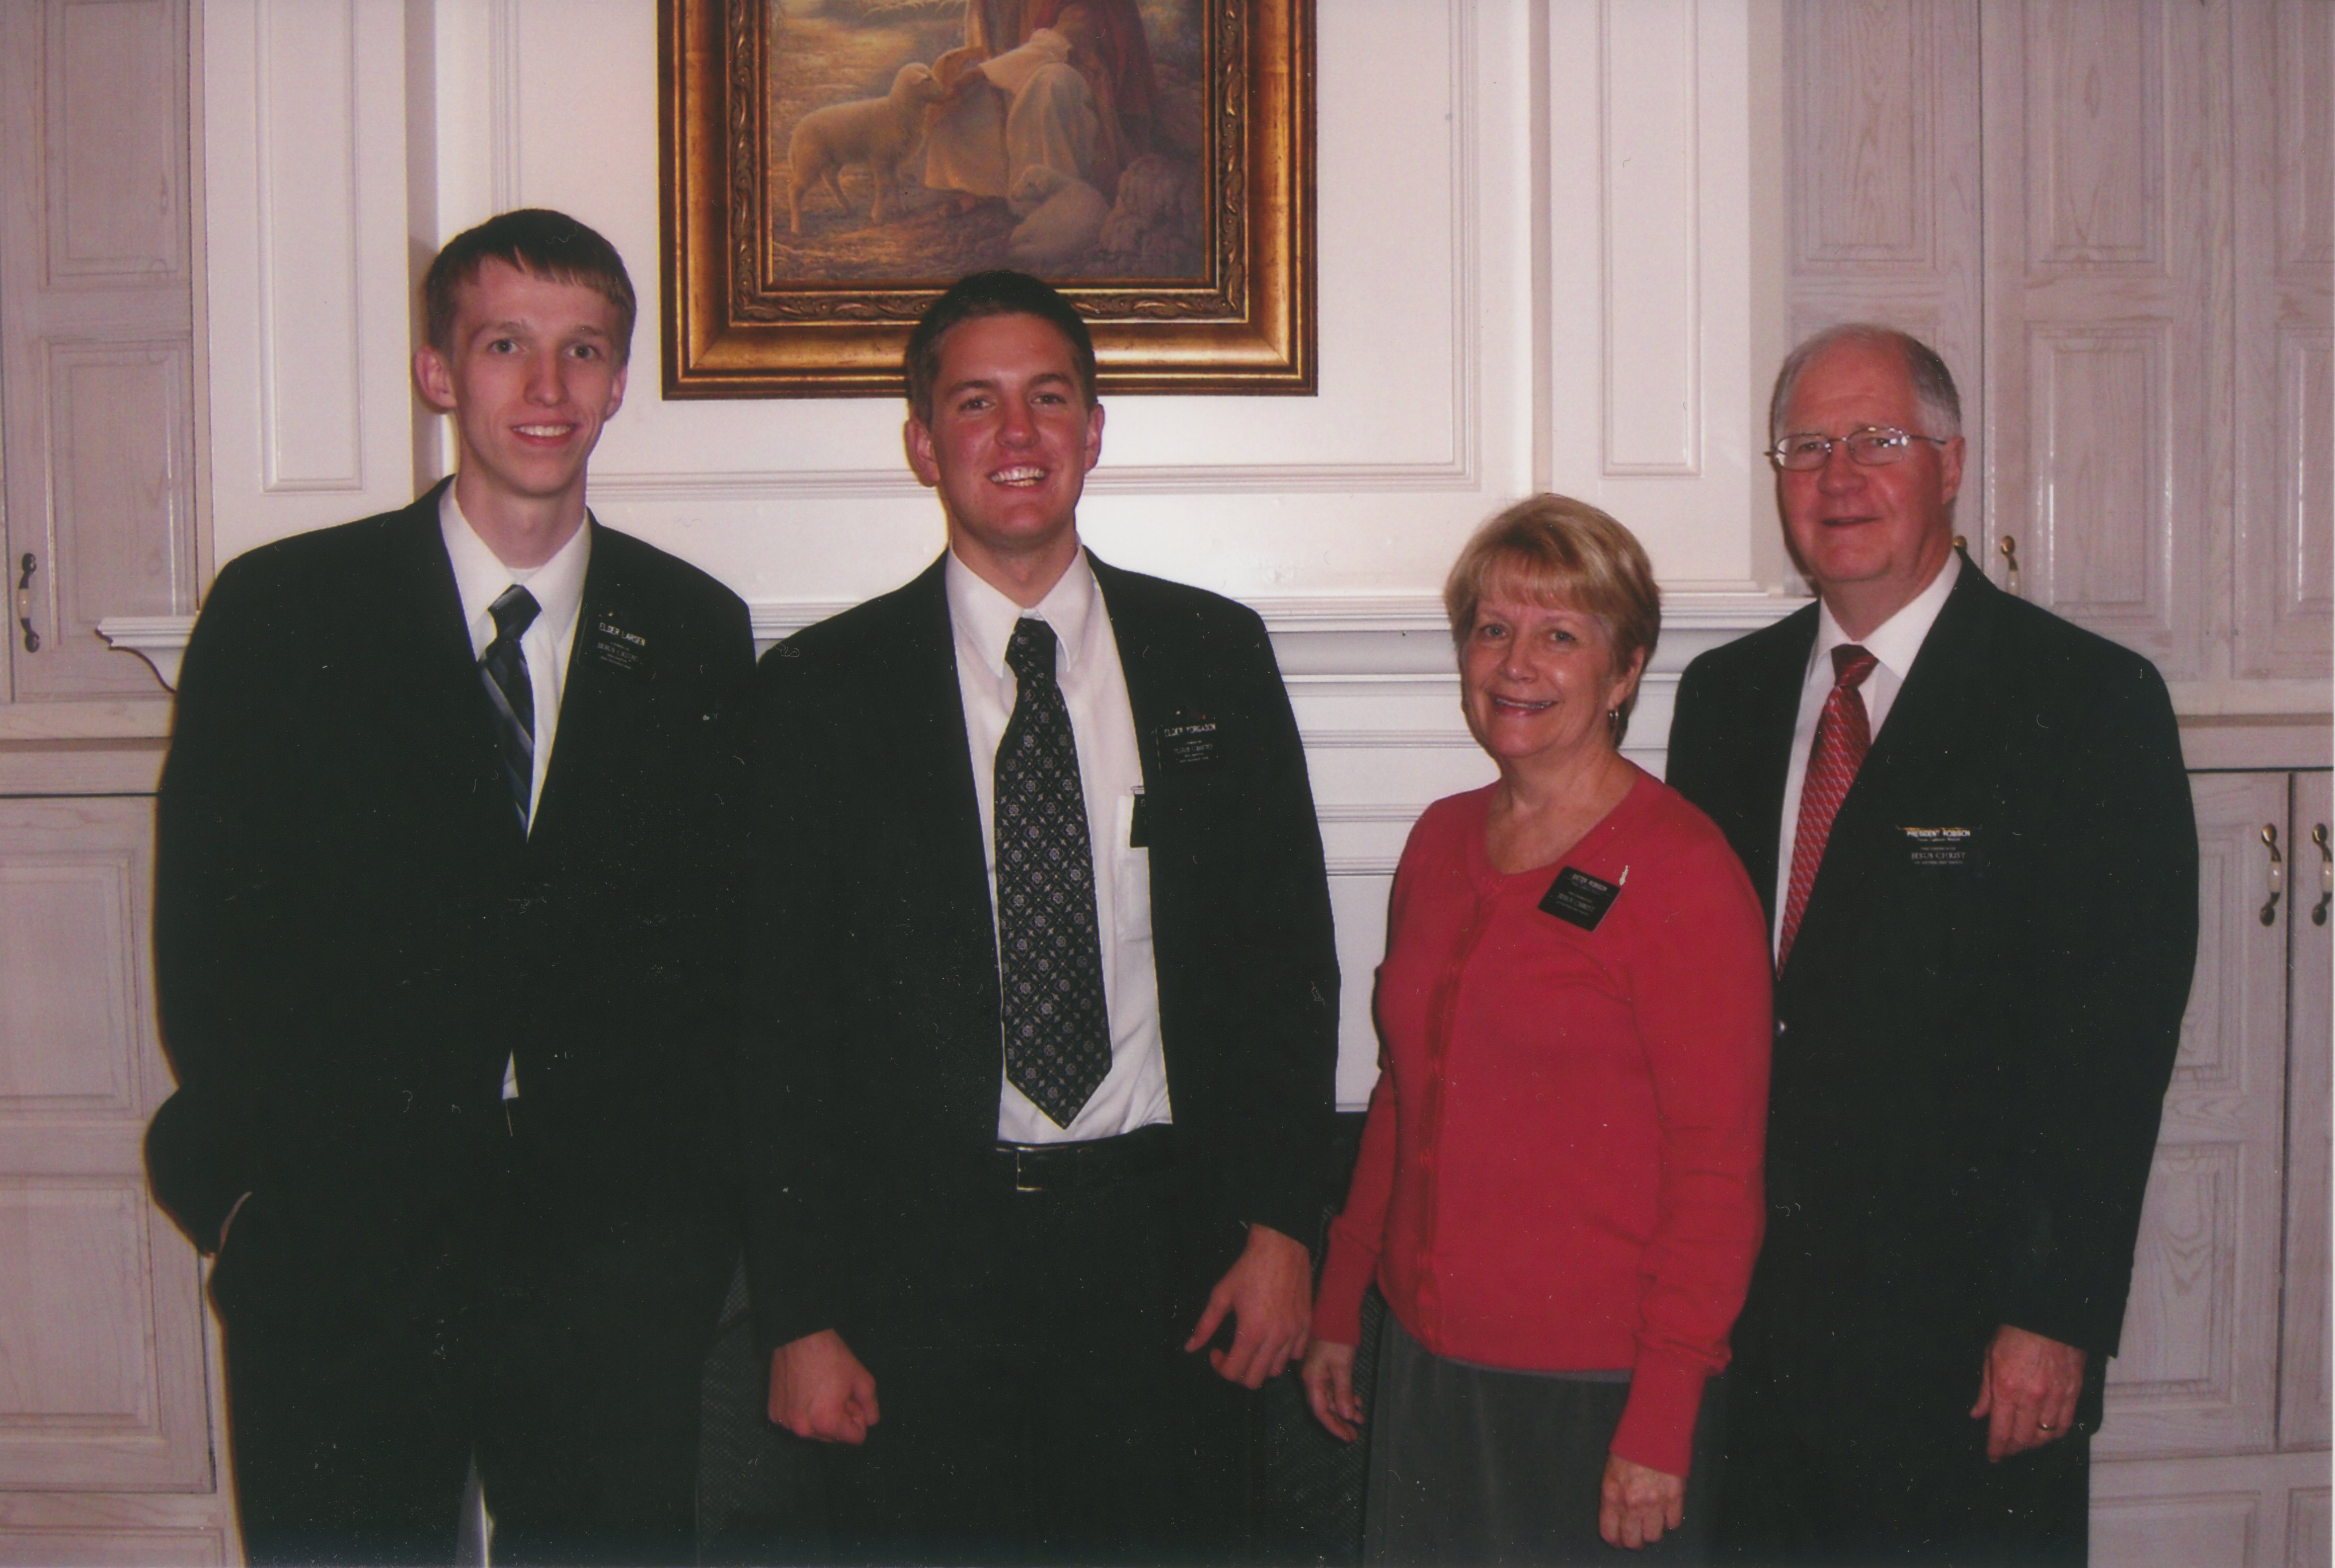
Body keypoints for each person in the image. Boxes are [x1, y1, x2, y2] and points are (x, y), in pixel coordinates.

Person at [144, 209, 753, 1566]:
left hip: (609, 1271)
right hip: (343, 1246)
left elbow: (725, 957)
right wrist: (248, 1198)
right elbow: (210, 932)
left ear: (618, 382)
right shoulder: (287, 612)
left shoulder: (695, 631)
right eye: (504, 345)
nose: (547, 387)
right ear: (438, 371)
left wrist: (687, 1226)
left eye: (582, 350)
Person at [739, 269, 1338, 1566]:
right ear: (922, 443)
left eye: (1048, 398)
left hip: (1166, 1255)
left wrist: (1286, 1229)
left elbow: (1286, 965)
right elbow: (777, 1026)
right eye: (976, 403)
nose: (1017, 434)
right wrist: (799, 1313)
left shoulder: (1212, 654)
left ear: (1093, 429)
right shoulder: (820, 692)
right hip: (918, 1273)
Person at [1665, 324, 2198, 1563]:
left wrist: (2055, 1316)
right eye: (1806, 447)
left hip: (1969, 1351)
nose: (1837, 477)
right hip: (1756, 1336)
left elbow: (2112, 1051)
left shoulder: (2085, 702)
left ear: (1950, 465)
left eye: (1877, 440)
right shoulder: (1723, 700)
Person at [1300, 496, 1774, 1564]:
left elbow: (1718, 1173)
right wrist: (1342, 1300)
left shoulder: (1684, 872)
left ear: (1623, 672)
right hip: (1425, 1362)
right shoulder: (1438, 841)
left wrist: (1661, 1420)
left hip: (1598, 1392)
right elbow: (1402, 1092)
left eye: (1560, 635)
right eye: (1492, 629)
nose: (1516, 664)